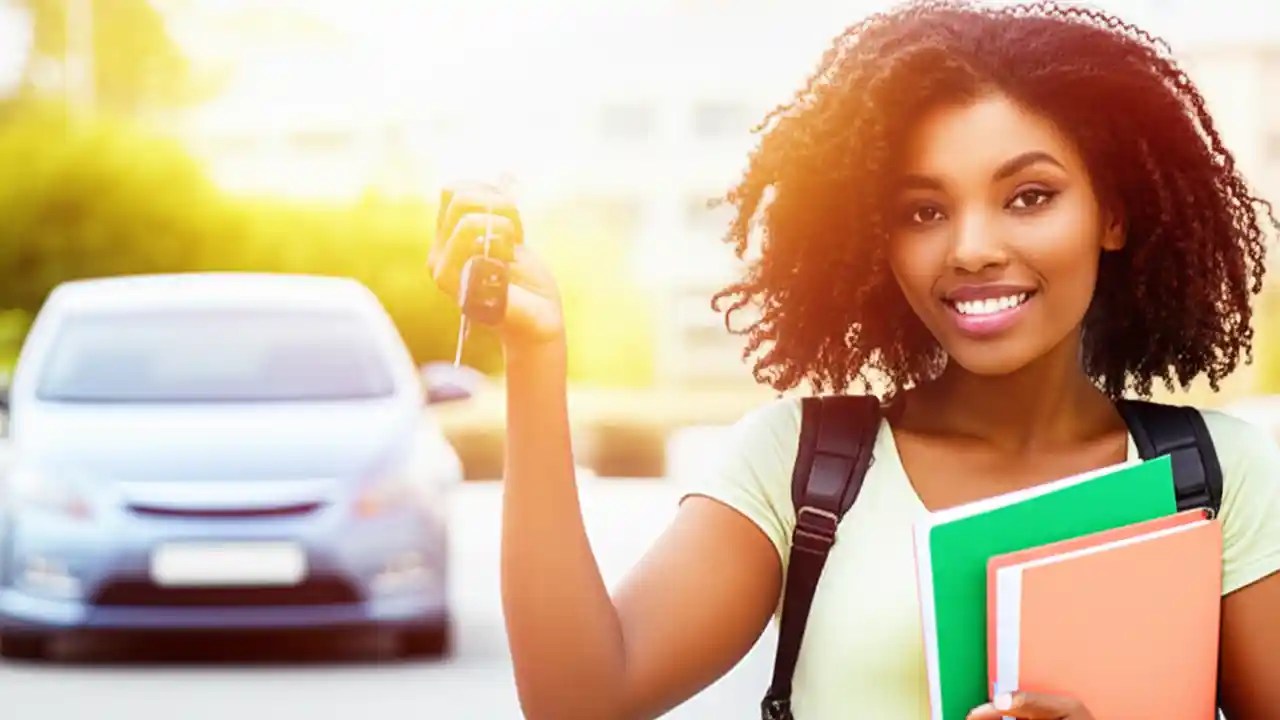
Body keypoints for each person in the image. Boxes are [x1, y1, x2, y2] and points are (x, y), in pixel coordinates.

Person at [427, 1, 1280, 718]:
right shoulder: (801, 468)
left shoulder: (1215, 480)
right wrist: (536, 356)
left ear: (1113, 215)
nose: (973, 248)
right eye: (922, 211)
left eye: (1029, 196)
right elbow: (580, 700)